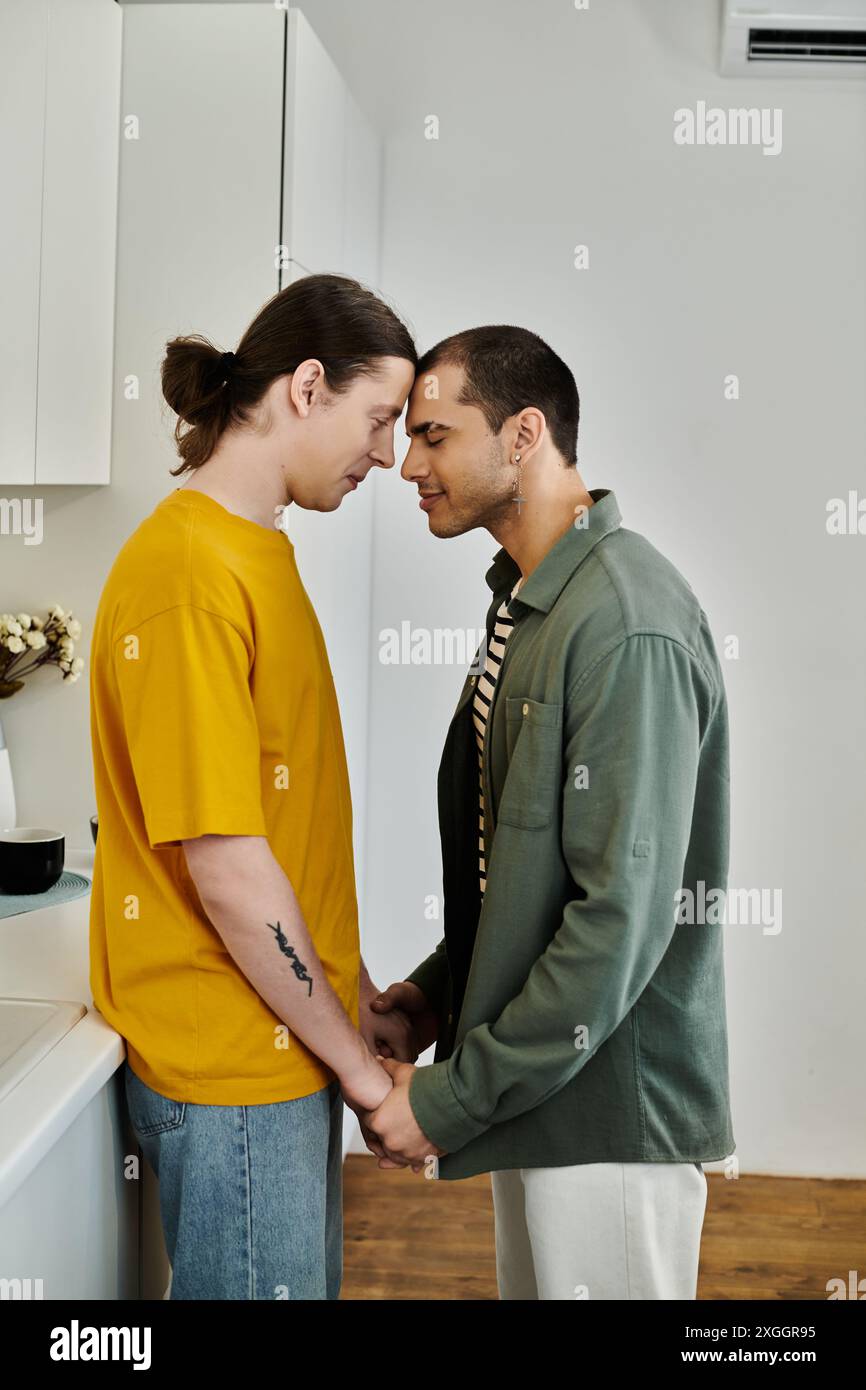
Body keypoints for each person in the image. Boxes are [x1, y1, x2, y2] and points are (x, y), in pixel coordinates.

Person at [367, 326, 736, 1300]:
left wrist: (450, 1094)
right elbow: (523, 869)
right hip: (541, 1099)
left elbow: (614, 920)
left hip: (609, 1118)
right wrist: (436, 994)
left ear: (523, 433)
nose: (407, 463)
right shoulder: (529, 604)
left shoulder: (624, 619)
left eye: (434, 435)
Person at [89, 273, 418, 1299]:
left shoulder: (253, 551)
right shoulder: (188, 575)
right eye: (377, 419)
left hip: (278, 1053)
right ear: (307, 387)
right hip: (234, 1071)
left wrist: (355, 1002)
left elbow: (283, 820)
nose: (387, 455)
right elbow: (228, 871)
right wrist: (364, 1076)